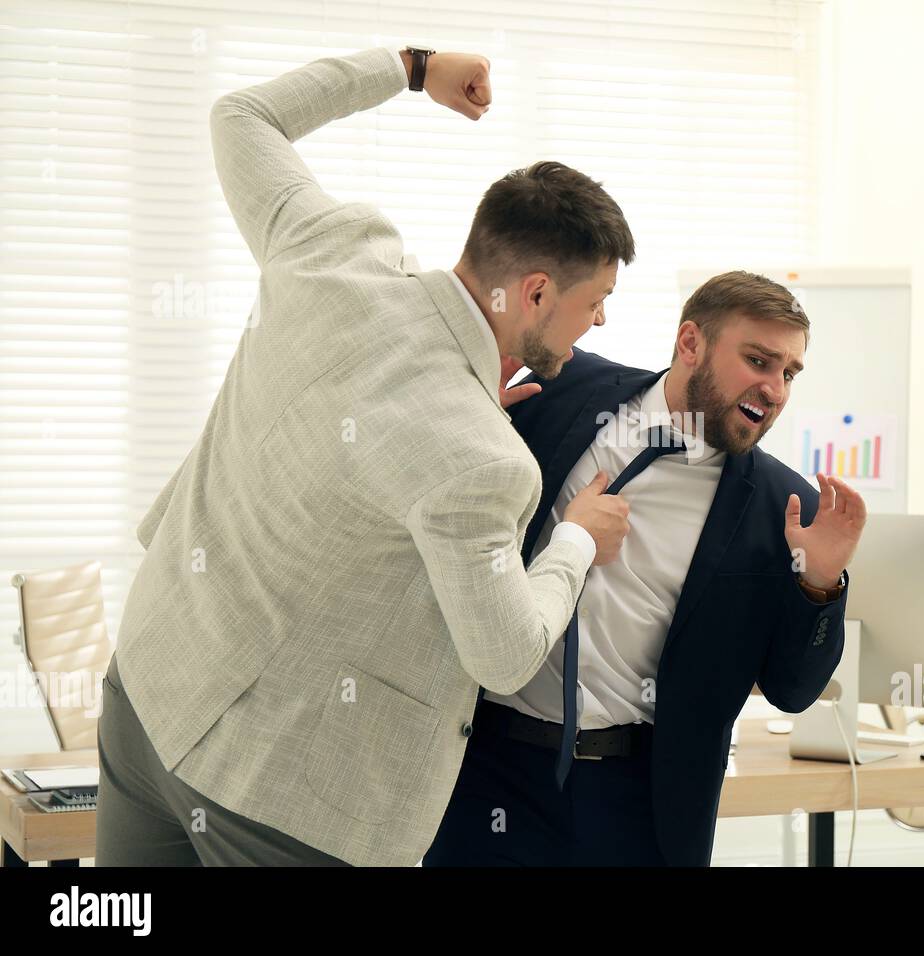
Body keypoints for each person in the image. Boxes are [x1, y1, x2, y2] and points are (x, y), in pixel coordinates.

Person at [96, 43, 636, 866]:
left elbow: (242, 116)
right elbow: (504, 653)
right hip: (286, 799)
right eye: (593, 302)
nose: (597, 325)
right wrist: (576, 541)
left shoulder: (330, 251)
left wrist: (412, 68)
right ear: (534, 292)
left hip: (149, 694)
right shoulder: (482, 460)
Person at [424, 271, 867, 866]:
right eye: (758, 360)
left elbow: (793, 691)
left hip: (639, 803)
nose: (775, 388)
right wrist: (475, 419)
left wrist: (820, 584)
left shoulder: (785, 509)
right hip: (490, 771)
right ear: (691, 343)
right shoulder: (565, 387)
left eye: (788, 372)